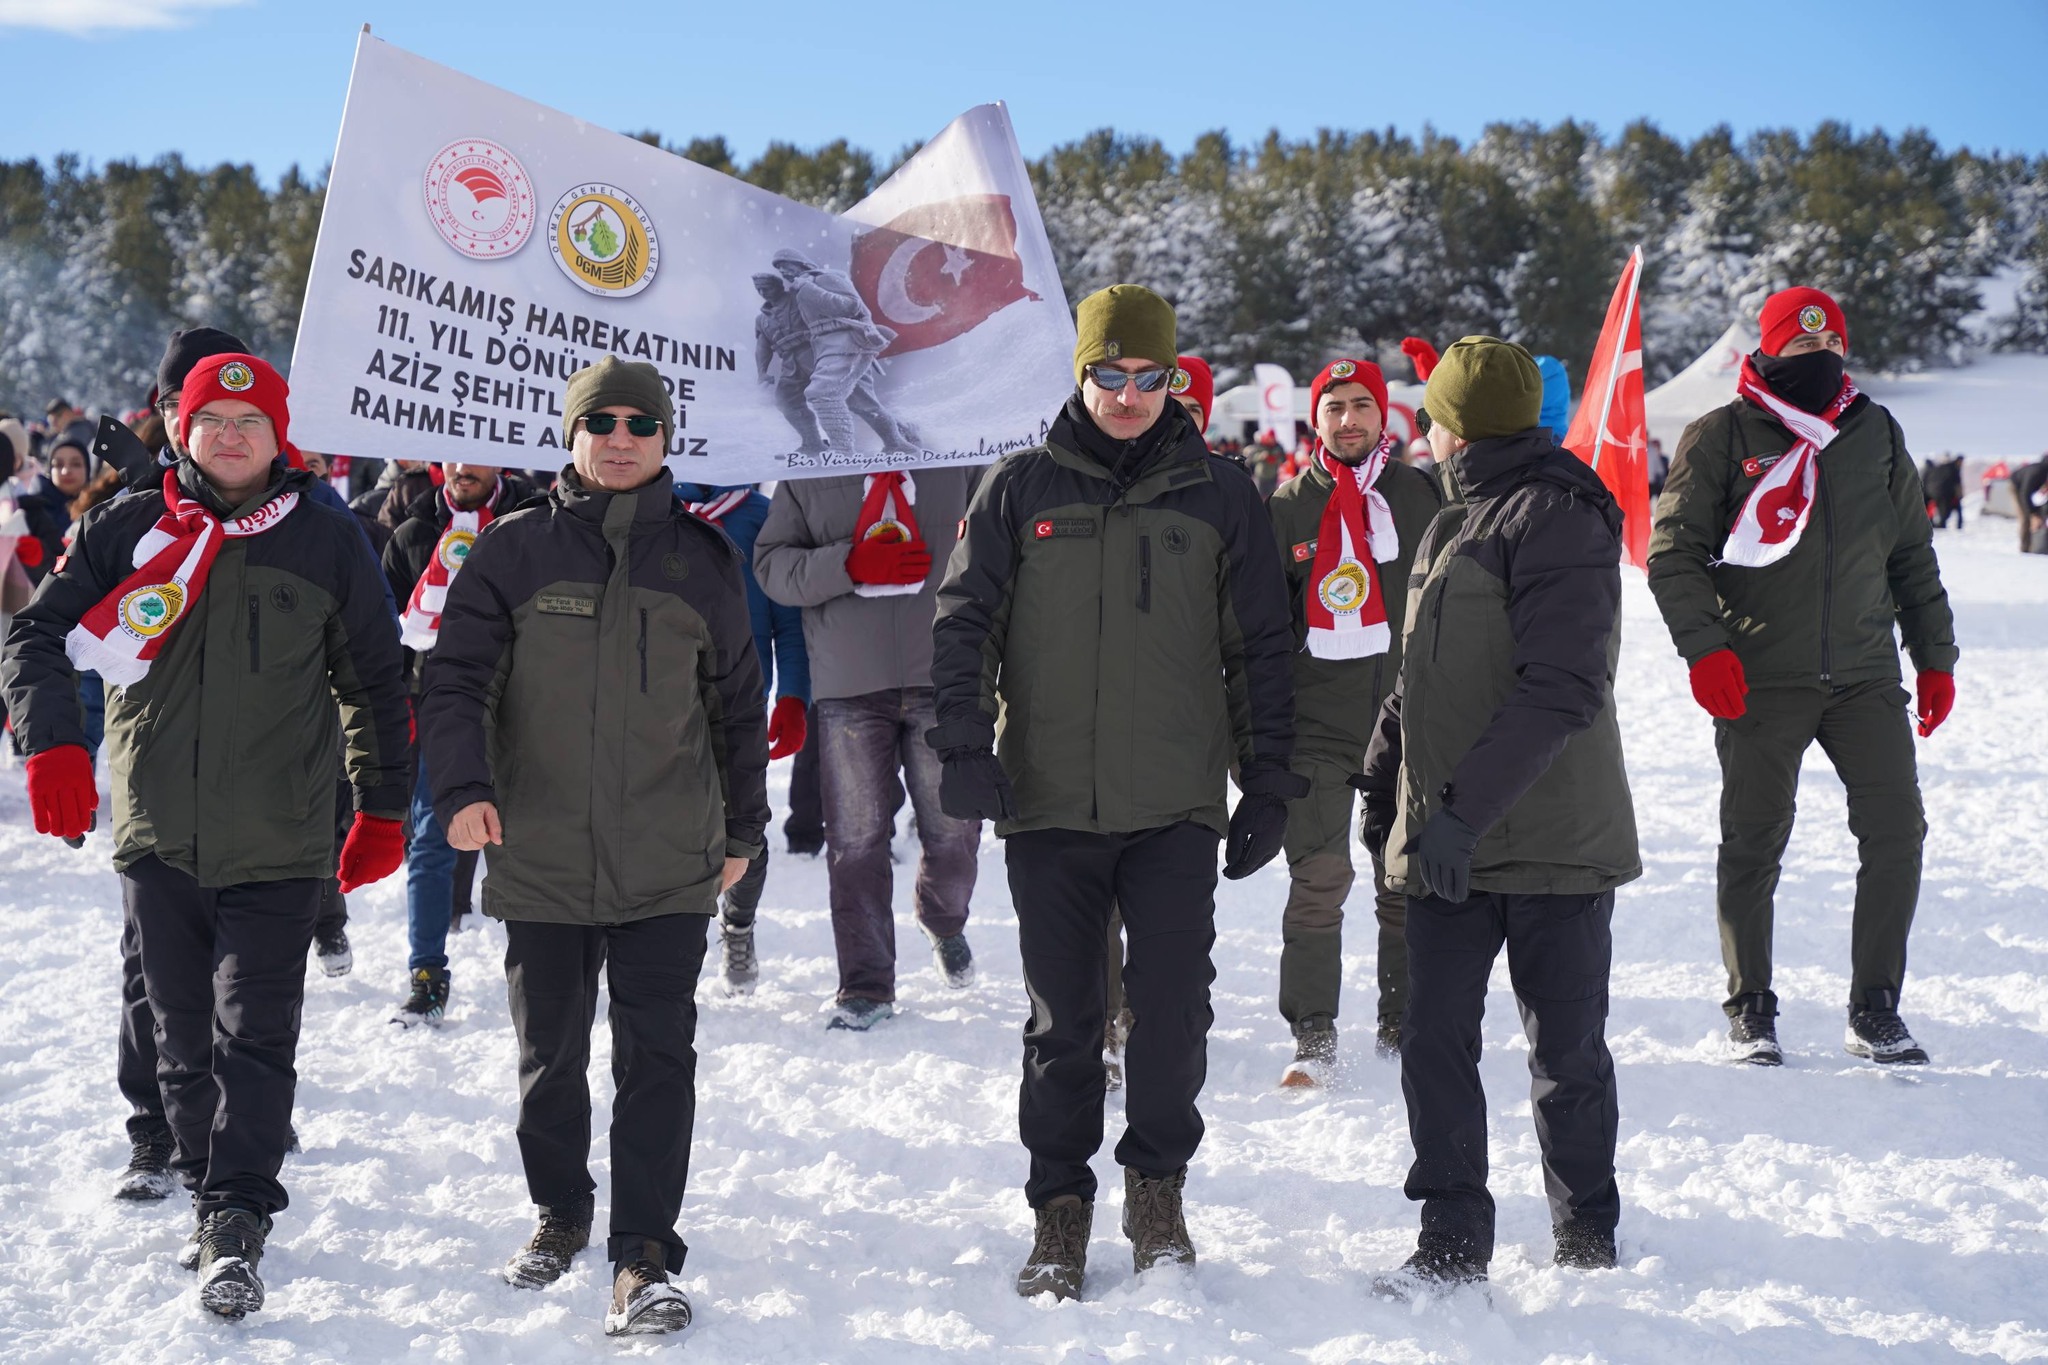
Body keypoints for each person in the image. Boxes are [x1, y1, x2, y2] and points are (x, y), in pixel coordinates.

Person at [2, 353, 411, 1319]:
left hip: (280, 836)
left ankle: (235, 1216)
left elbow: (374, 680)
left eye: (250, 419)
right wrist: (51, 740)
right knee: (182, 1039)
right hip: (159, 833)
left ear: (280, 436)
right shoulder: (125, 525)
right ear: (180, 429)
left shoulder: (327, 536)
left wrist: (384, 802)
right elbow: (33, 635)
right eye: (211, 418)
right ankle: (200, 1174)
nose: (230, 434)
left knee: (255, 1035)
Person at [930, 284, 1302, 1299]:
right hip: (1048, 801)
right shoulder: (1017, 489)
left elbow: (1260, 649)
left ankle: (1155, 1191)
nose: (1129, 392)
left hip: (1174, 804)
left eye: (1149, 376)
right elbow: (965, 622)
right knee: (1063, 1024)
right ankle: (1059, 1208)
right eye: (1109, 373)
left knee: (1174, 1012)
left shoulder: (1220, 494)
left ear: (1173, 379)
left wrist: (1266, 778)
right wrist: (965, 743)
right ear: (1081, 372)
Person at [421, 355, 770, 1337]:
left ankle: (643, 1253)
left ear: (666, 440)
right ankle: (560, 1211)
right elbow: (453, 682)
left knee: (659, 1055)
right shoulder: (511, 552)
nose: (620, 437)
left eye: (640, 423)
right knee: (550, 1056)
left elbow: (738, 708)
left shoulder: (702, 562)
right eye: (601, 420)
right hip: (539, 849)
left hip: (670, 853)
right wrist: (460, 789)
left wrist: (744, 830)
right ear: (569, 434)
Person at [1356, 335, 1639, 1295]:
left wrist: (1462, 816)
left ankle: (1586, 1233)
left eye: (1429, 413)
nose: (1421, 429)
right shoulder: (1452, 518)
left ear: (1456, 424)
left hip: (1549, 842)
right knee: (1436, 1038)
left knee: (1564, 1050)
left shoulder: (1561, 516)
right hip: (1448, 841)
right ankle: (1450, 1234)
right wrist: (1381, 780)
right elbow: (1418, 676)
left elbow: (1562, 688)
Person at [1647, 287, 1957, 1066]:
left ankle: (1876, 1007)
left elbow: (1911, 555)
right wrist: (1707, 649)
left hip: (1863, 675)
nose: (1817, 359)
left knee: (1896, 834)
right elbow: (1673, 553)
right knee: (1753, 842)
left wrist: (1936, 658)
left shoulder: (1876, 431)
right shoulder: (1719, 435)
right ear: (1769, 351)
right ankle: (1750, 1004)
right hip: (1760, 676)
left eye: (1830, 348)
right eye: (1800, 347)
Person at [753, 456, 980, 1030]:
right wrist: (847, 564)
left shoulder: (959, 449)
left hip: (944, 677)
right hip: (848, 682)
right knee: (855, 844)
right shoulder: (813, 463)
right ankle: (866, 985)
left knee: (955, 834)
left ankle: (942, 917)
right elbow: (772, 566)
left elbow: (1005, 541)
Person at [1266, 359, 1442, 1083]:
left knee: (1401, 878)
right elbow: (1264, 628)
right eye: (1334, 407)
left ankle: (1402, 1018)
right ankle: (1312, 1026)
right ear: (1317, 418)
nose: (1349, 420)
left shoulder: (1419, 494)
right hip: (1318, 725)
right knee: (1318, 876)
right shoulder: (1285, 507)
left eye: (1362, 405)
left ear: (1385, 414)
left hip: (1405, 722)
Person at [381, 461, 535, 1027]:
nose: (460, 467)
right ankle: (426, 974)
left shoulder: (535, 519)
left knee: (539, 836)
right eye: (448, 454)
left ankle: (554, 967)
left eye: (472, 453)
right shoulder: (416, 532)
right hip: (441, 705)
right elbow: (383, 633)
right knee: (430, 837)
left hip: (526, 703)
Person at [675, 477, 813, 994]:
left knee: (743, 822)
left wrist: (795, 696)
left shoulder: (763, 514)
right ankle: (668, 933)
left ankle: (738, 925)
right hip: (658, 697)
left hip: (741, 697)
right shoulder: (654, 507)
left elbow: (787, 618)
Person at [770, 248, 921, 453]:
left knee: (823, 393)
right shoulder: (802, 288)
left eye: (785, 266)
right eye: (780, 270)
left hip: (846, 342)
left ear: (801, 264)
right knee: (863, 403)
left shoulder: (825, 278)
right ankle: (898, 443)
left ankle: (843, 452)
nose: (784, 273)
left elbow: (851, 306)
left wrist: (808, 288)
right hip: (829, 345)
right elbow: (819, 323)